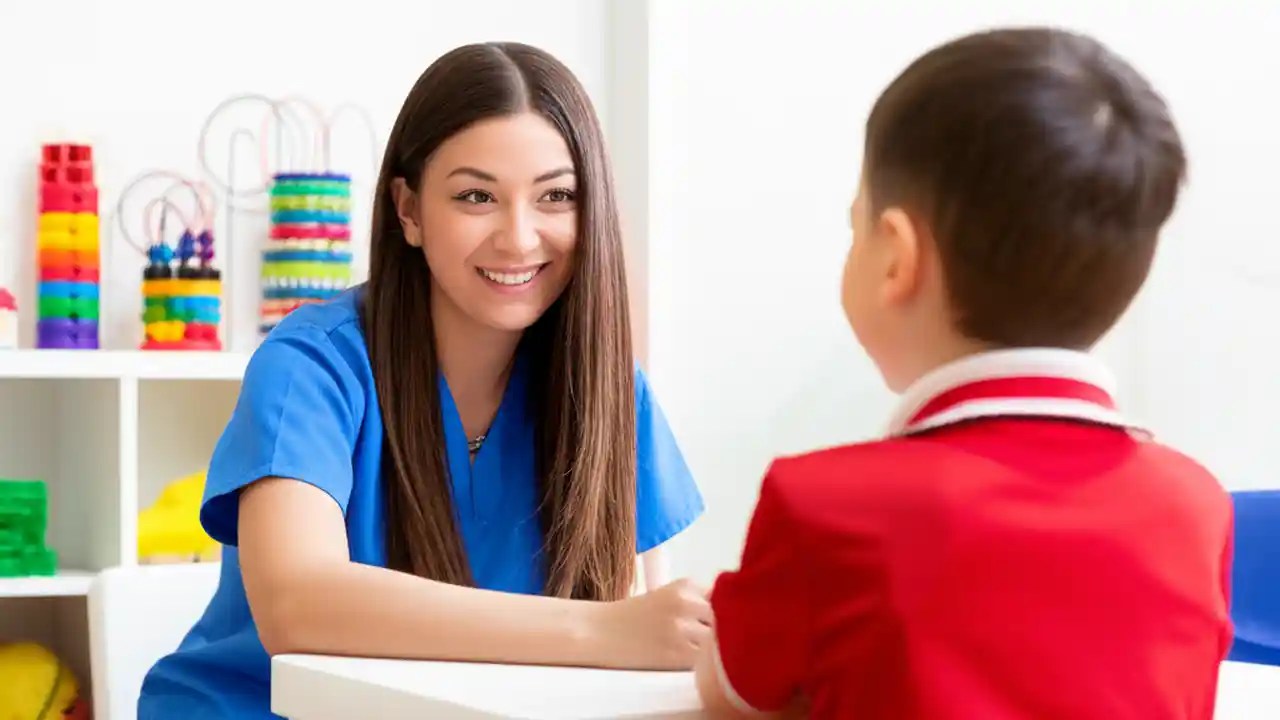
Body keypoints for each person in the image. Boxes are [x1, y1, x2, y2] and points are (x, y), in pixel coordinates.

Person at [139, 42, 707, 720]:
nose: (520, 238)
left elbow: (642, 648)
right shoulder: (314, 363)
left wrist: (642, 636)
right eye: (476, 196)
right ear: (408, 210)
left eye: (556, 196)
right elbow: (297, 602)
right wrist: (606, 632)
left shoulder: (612, 391)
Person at [696, 26, 1233, 719]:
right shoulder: (1195, 507)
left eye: (855, 225)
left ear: (896, 256)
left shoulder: (822, 506)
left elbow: (731, 692)